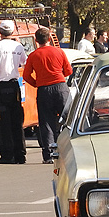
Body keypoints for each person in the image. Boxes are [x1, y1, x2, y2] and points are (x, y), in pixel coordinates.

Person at [22, 26, 73, 164]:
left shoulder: (33, 55)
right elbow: (68, 71)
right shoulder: (59, 51)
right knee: (67, 119)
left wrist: (38, 83)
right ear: (50, 39)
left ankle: (48, 154)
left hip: (44, 89)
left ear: (36, 40)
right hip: (60, 87)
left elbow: (26, 75)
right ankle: (69, 150)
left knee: (46, 122)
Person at [0, 20, 29, 164]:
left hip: (2, 88)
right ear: (12, 32)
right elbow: (25, 63)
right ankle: (20, 154)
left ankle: (7, 155)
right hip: (15, 86)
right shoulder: (18, 46)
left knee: (3, 122)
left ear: (0, 32)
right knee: (17, 121)